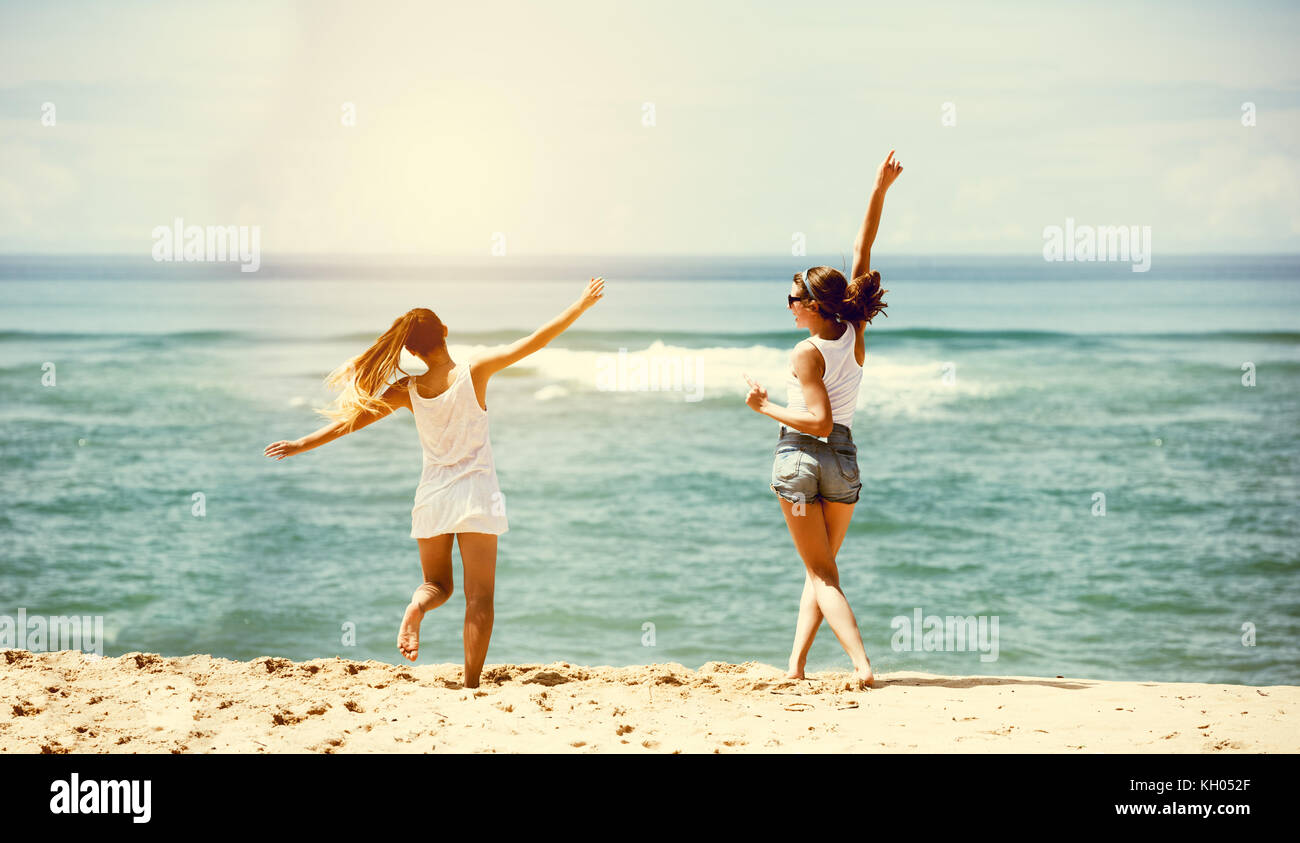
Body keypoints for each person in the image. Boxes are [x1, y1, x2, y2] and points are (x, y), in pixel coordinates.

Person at [264, 278, 605, 688]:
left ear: (409, 349)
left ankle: (416, 607)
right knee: (479, 597)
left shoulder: (408, 388)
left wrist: (301, 444)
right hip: (477, 496)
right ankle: (471, 684)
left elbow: (351, 423)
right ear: (445, 332)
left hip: (433, 497)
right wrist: (581, 304)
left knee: (435, 584)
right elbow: (535, 341)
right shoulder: (475, 370)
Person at [744, 151, 903, 689]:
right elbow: (862, 251)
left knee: (821, 573)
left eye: (794, 298)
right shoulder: (854, 328)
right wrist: (879, 190)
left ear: (813, 305)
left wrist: (762, 406)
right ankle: (796, 666)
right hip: (843, 462)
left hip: (801, 457)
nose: (788, 304)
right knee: (821, 572)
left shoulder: (805, 352)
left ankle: (860, 664)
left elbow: (816, 420)